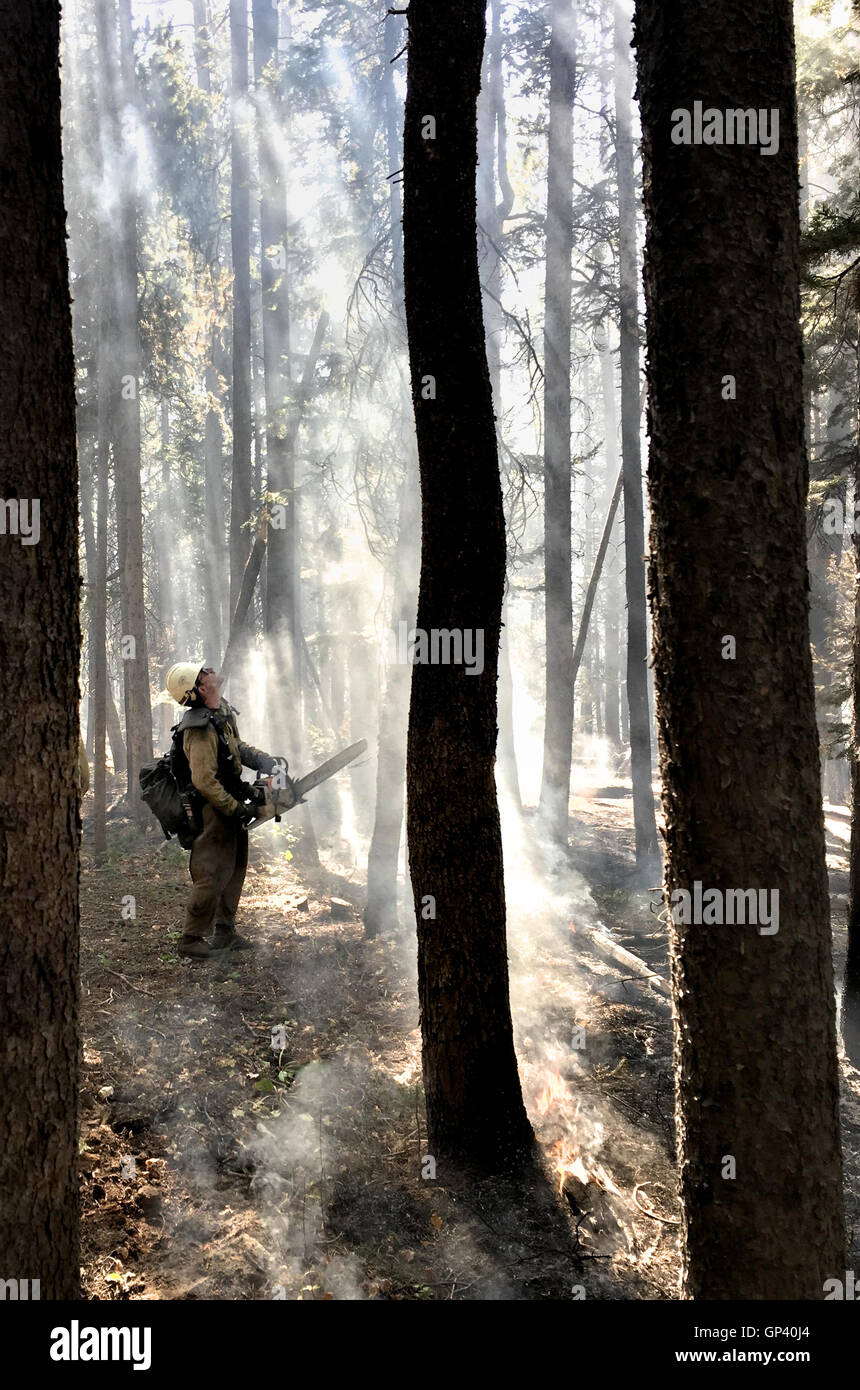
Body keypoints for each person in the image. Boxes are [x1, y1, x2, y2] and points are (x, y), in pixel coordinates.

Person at [164, 661, 288, 960]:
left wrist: (264, 761)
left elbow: (236, 746)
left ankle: (224, 931)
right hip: (211, 807)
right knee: (210, 872)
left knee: (234, 867)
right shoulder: (199, 727)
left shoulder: (221, 713)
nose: (209, 671)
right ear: (199, 688)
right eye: (203, 673)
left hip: (228, 801)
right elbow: (204, 780)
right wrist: (235, 808)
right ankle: (191, 939)